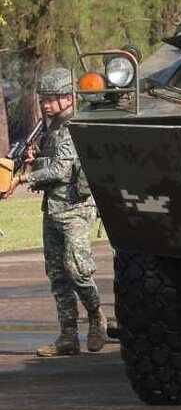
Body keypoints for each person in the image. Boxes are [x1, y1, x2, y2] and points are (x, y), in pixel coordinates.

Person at [19, 67, 105, 357]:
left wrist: (24, 178)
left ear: (68, 98)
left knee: (77, 270)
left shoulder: (71, 128)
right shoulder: (51, 129)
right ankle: (68, 337)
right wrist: (34, 160)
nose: (45, 104)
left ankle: (96, 317)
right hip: (53, 209)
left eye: (51, 99)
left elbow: (61, 169)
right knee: (57, 275)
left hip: (75, 209)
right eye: (43, 99)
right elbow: (51, 163)